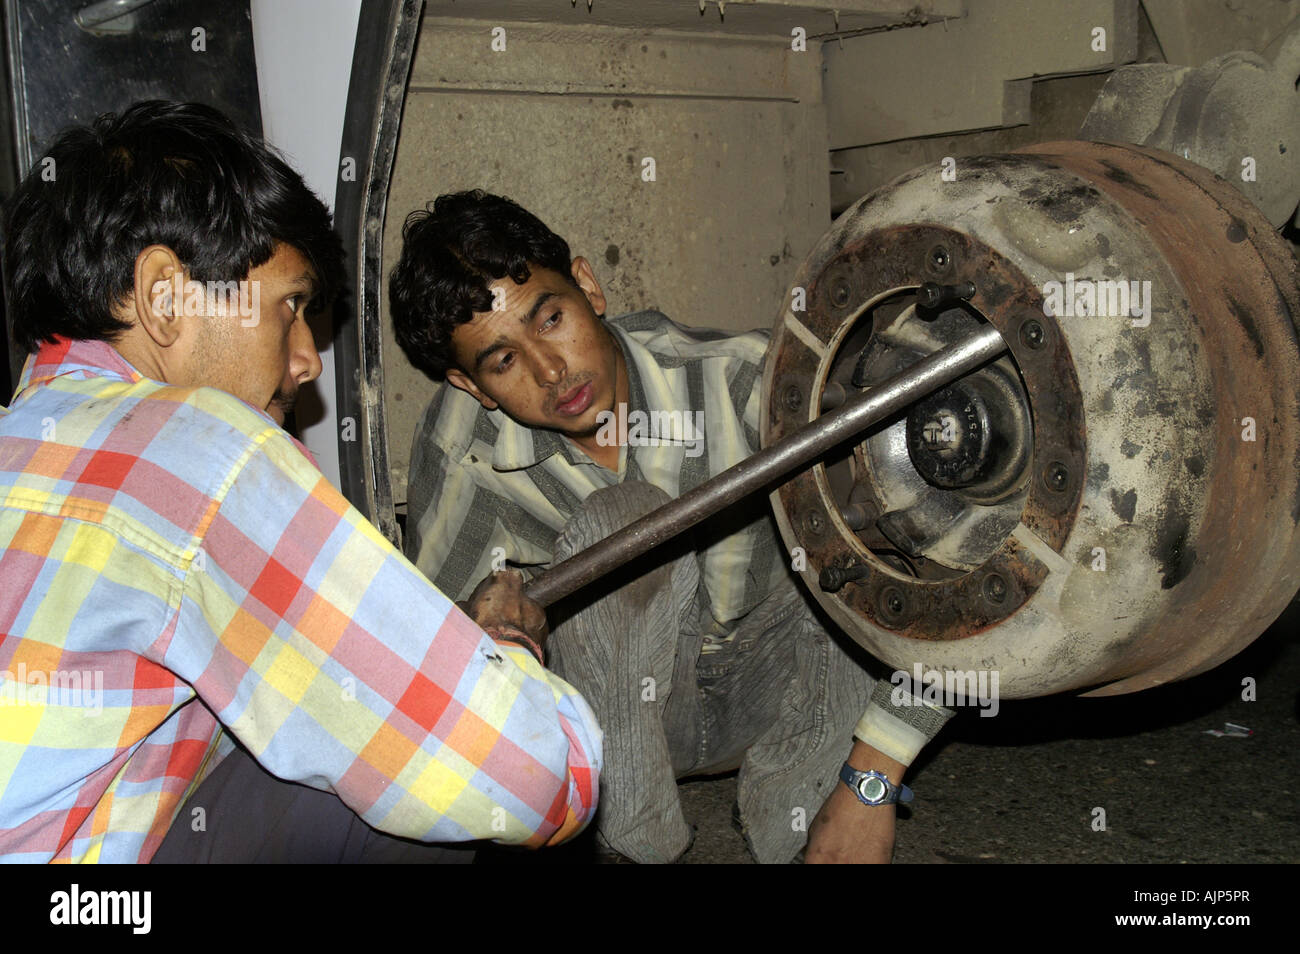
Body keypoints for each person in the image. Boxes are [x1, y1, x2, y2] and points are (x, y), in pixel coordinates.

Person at [0, 103, 600, 864]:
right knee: (404, 781)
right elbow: (541, 774)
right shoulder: (201, 451)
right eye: (289, 305)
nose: (309, 359)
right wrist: (506, 645)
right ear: (163, 296)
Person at [390, 190, 954, 864]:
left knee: (844, 553)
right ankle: (638, 847)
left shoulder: (746, 382)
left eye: (549, 317)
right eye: (502, 361)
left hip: (776, 689)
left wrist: (874, 781)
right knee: (620, 524)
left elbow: (954, 569)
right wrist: (493, 629)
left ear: (588, 286)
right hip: (626, 728)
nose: (551, 369)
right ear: (471, 386)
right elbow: (423, 656)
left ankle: (808, 827)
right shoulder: (466, 456)